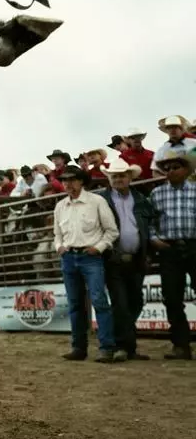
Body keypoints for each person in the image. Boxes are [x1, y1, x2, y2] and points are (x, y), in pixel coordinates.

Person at [52, 165, 120, 363]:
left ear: (81, 181)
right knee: (75, 303)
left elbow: (111, 231)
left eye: (72, 180)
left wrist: (98, 248)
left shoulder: (96, 201)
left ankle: (106, 347)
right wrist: (59, 247)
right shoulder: (60, 206)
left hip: (91, 256)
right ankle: (79, 347)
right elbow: (57, 234)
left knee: (99, 300)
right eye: (64, 180)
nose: (68, 184)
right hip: (69, 256)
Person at [97, 159, 158, 360]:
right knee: (120, 302)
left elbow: (150, 225)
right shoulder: (101, 200)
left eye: (122, 175)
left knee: (135, 301)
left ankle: (125, 344)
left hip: (136, 258)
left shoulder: (140, 199)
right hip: (112, 259)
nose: (118, 179)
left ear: (130, 177)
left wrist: (148, 253)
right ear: (109, 179)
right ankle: (123, 346)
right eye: (114, 176)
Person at [149, 149, 196, 360]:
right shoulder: (157, 194)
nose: (170, 171)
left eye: (175, 167)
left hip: (194, 245)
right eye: (166, 168)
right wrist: (154, 239)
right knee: (172, 298)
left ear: (186, 170)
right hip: (169, 248)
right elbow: (150, 221)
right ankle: (180, 345)